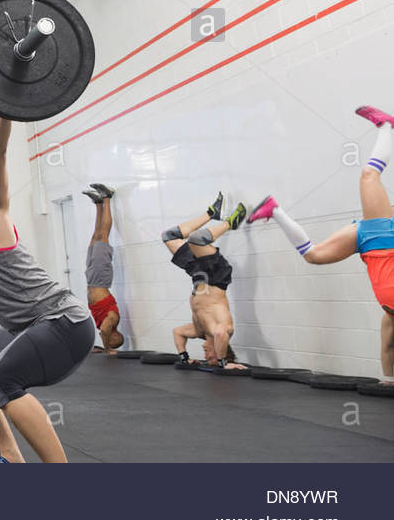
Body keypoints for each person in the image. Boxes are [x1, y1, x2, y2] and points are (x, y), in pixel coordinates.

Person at [0, 110, 95, 464]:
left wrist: (1, 101)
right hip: (26, 326)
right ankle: (11, 456)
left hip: (62, 322)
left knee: (0, 377)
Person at [246, 105, 394, 385]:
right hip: (385, 241)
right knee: (369, 177)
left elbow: (388, 348)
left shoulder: (390, 315)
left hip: (369, 248)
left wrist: (388, 384)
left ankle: (274, 210)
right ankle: (386, 127)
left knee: (313, 255)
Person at [161, 192, 248, 371]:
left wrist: (184, 357)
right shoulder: (223, 329)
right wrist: (224, 363)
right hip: (217, 276)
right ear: (219, 351)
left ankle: (212, 213)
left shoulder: (199, 331)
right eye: (210, 358)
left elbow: (178, 332)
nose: (205, 355)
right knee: (196, 239)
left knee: (169, 236)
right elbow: (219, 334)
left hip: (198, 275)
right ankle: (230, 223)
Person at [81, 183, 124, 353]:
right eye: (110, 341)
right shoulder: (112, 320)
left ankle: (98, 203)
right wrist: (107, 349)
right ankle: (107, 197)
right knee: (103, 234)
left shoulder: (108, 323)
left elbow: (103, 331)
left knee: (95, 236)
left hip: (93, 278)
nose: (105, 337)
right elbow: (105, 330)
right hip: (100, 278)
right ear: (115, 337)